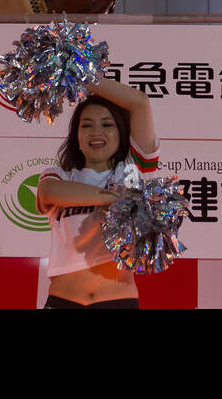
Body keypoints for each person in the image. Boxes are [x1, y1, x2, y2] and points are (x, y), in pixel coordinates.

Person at [36, 76, 159, 308]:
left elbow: (140, 103)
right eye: (87, 125)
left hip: (117, 301)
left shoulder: (133, 172)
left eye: (106, 124)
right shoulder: (61, 176)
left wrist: (77, 72)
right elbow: (48, 192)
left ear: (121, 133)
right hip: (63, 300)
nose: (96, 132)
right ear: (77, 138)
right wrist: (113, 198)